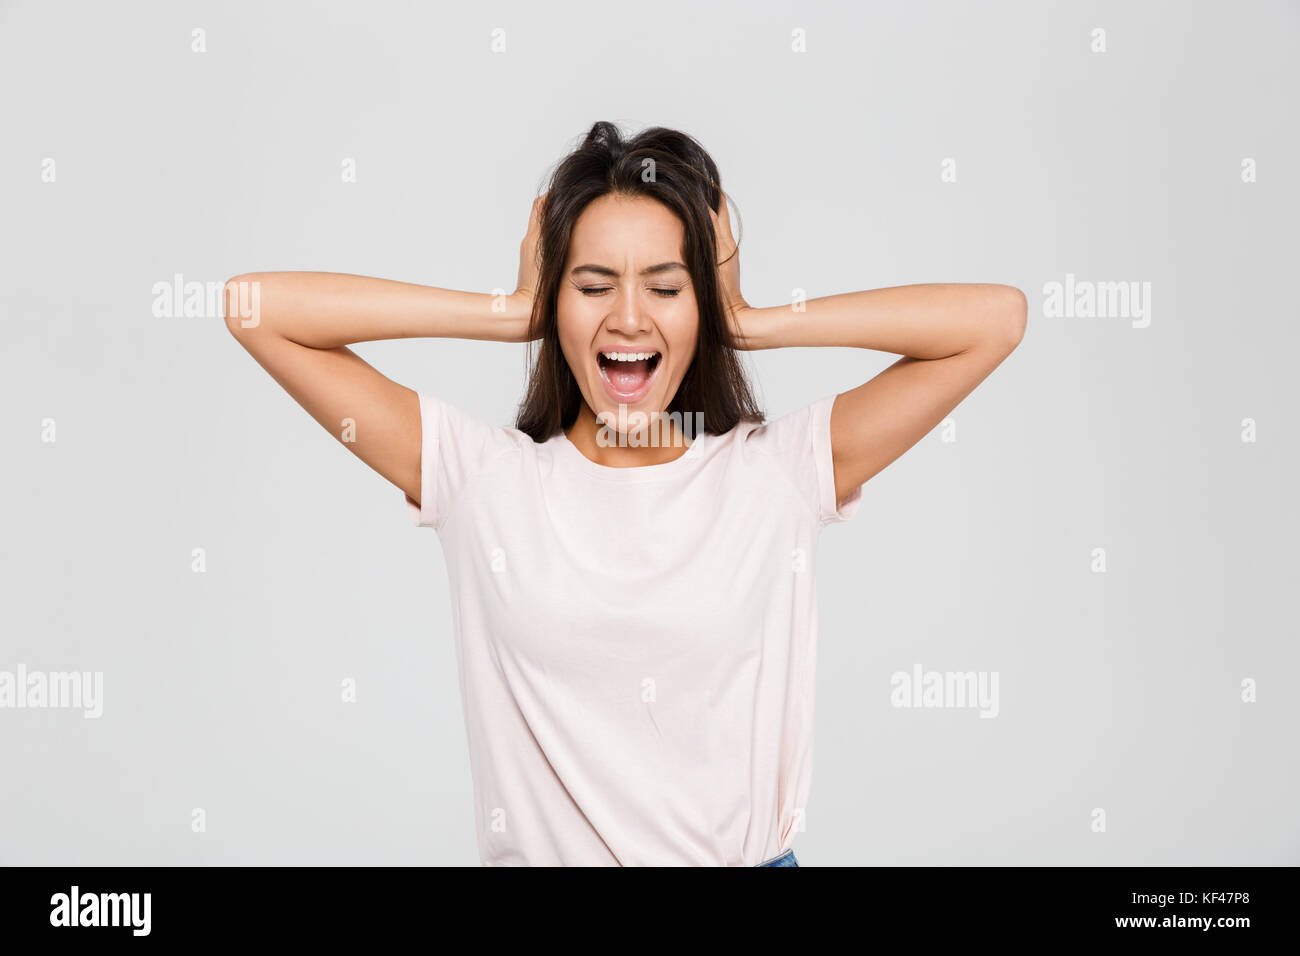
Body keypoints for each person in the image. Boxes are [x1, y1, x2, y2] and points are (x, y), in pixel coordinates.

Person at [223, 121, 1026, 866]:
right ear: (557, 304)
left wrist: (744, 318)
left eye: (668, 289)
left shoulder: (774, 475)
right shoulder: (481, 480)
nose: (630, 318)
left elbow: (995, 320)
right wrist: (509, 310)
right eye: (594, 285)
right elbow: (255, 309)